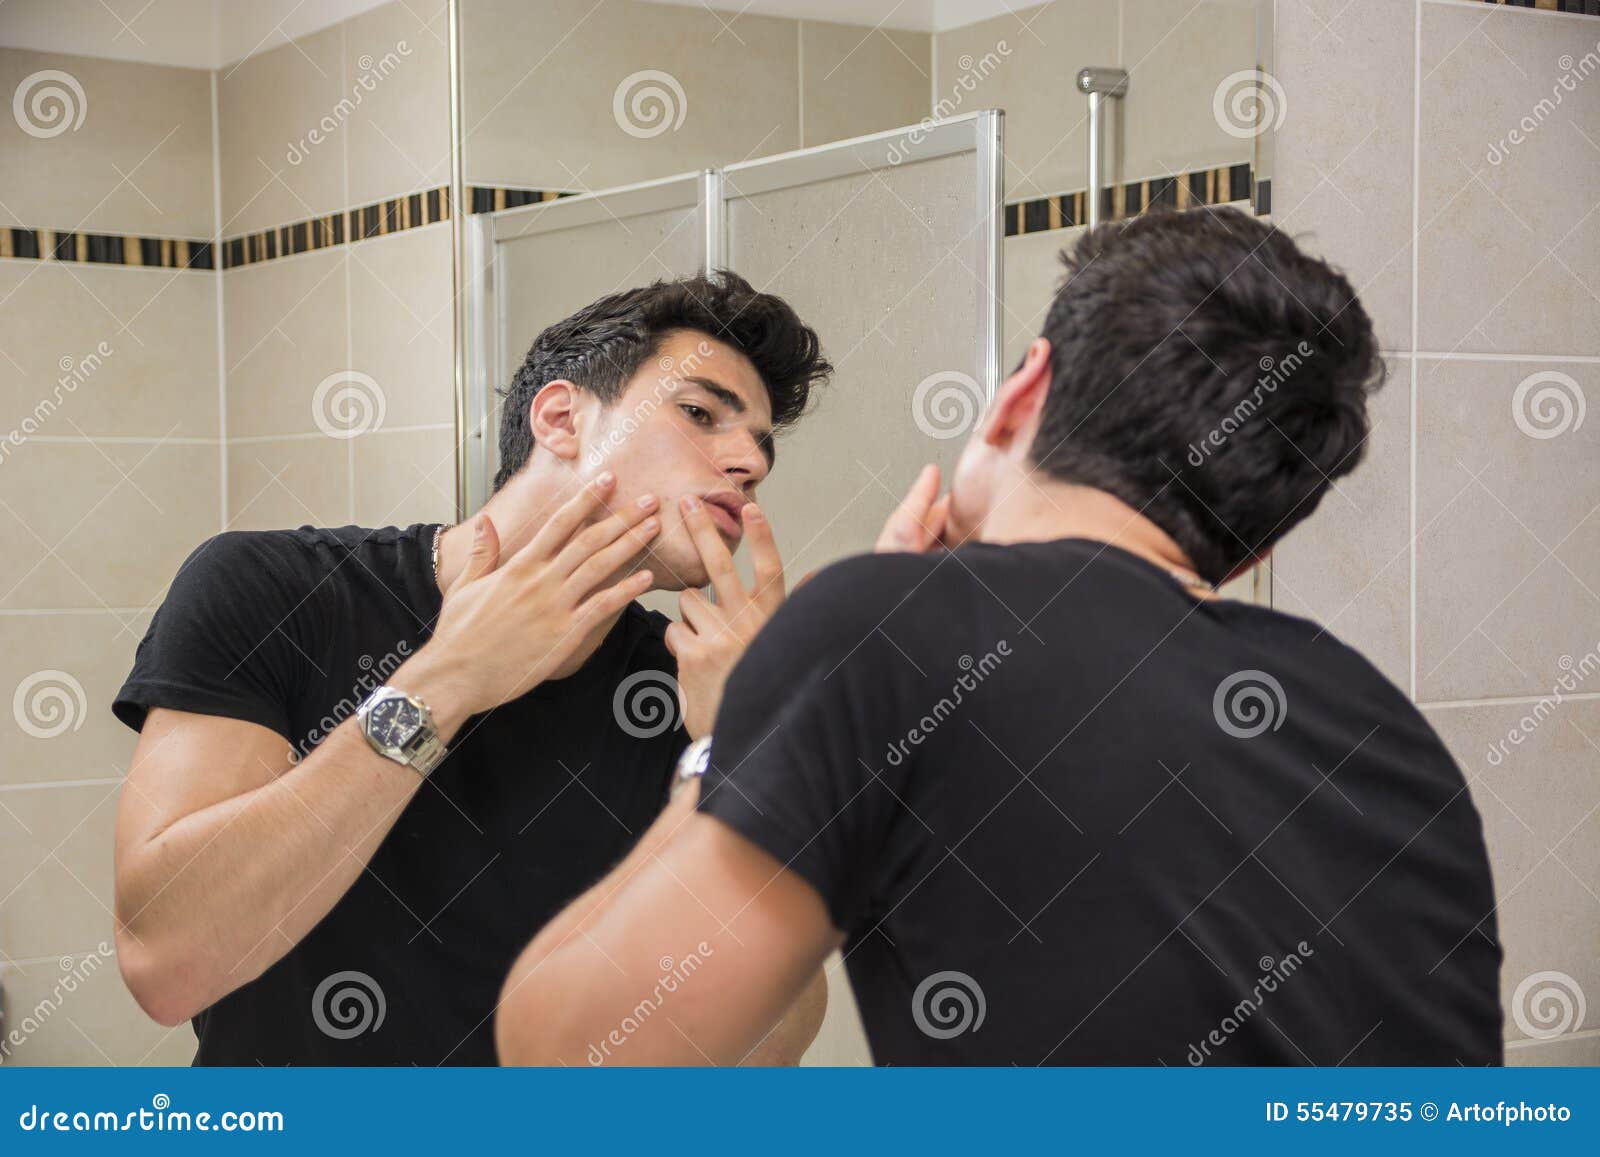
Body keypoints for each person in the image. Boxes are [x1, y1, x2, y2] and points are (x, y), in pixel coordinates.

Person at [494, 207, 1504, 1067]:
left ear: (1023, 391)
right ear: (1243, 549)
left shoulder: (889, 630)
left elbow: (575, 1055)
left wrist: (731, 735)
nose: (746, 465)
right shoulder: (1381, 725)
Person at [111, 272, 833, 1064]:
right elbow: (166, 965)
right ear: (560, 418)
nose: (748, 462)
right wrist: (446, 680)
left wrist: (737, 759)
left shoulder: (687, 690)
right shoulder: (275, 591)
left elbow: (760, 1054)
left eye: (762, 447)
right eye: (699, 414)